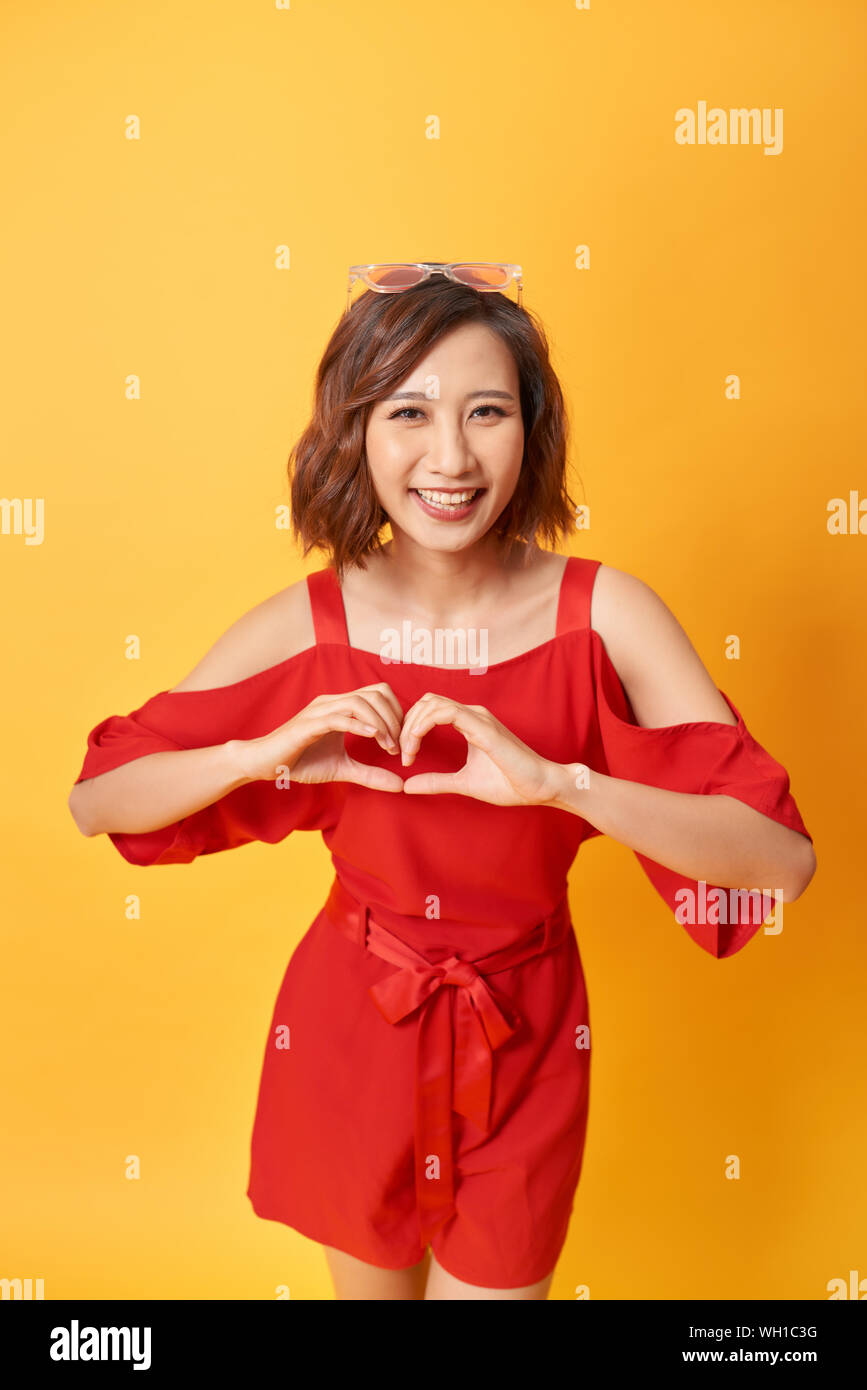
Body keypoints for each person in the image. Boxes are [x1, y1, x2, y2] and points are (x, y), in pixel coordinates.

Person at [68, 263, 816, 1301]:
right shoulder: (308, 623)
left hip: (531, 1028)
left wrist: (563, 783)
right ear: (356, 432)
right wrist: (259, 753)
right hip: (352, 1024)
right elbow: (97, 798)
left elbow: (780, 864)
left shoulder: (608, 614)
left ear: (533, 429)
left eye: (488, 412)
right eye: (409, 412)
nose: (451, 456)